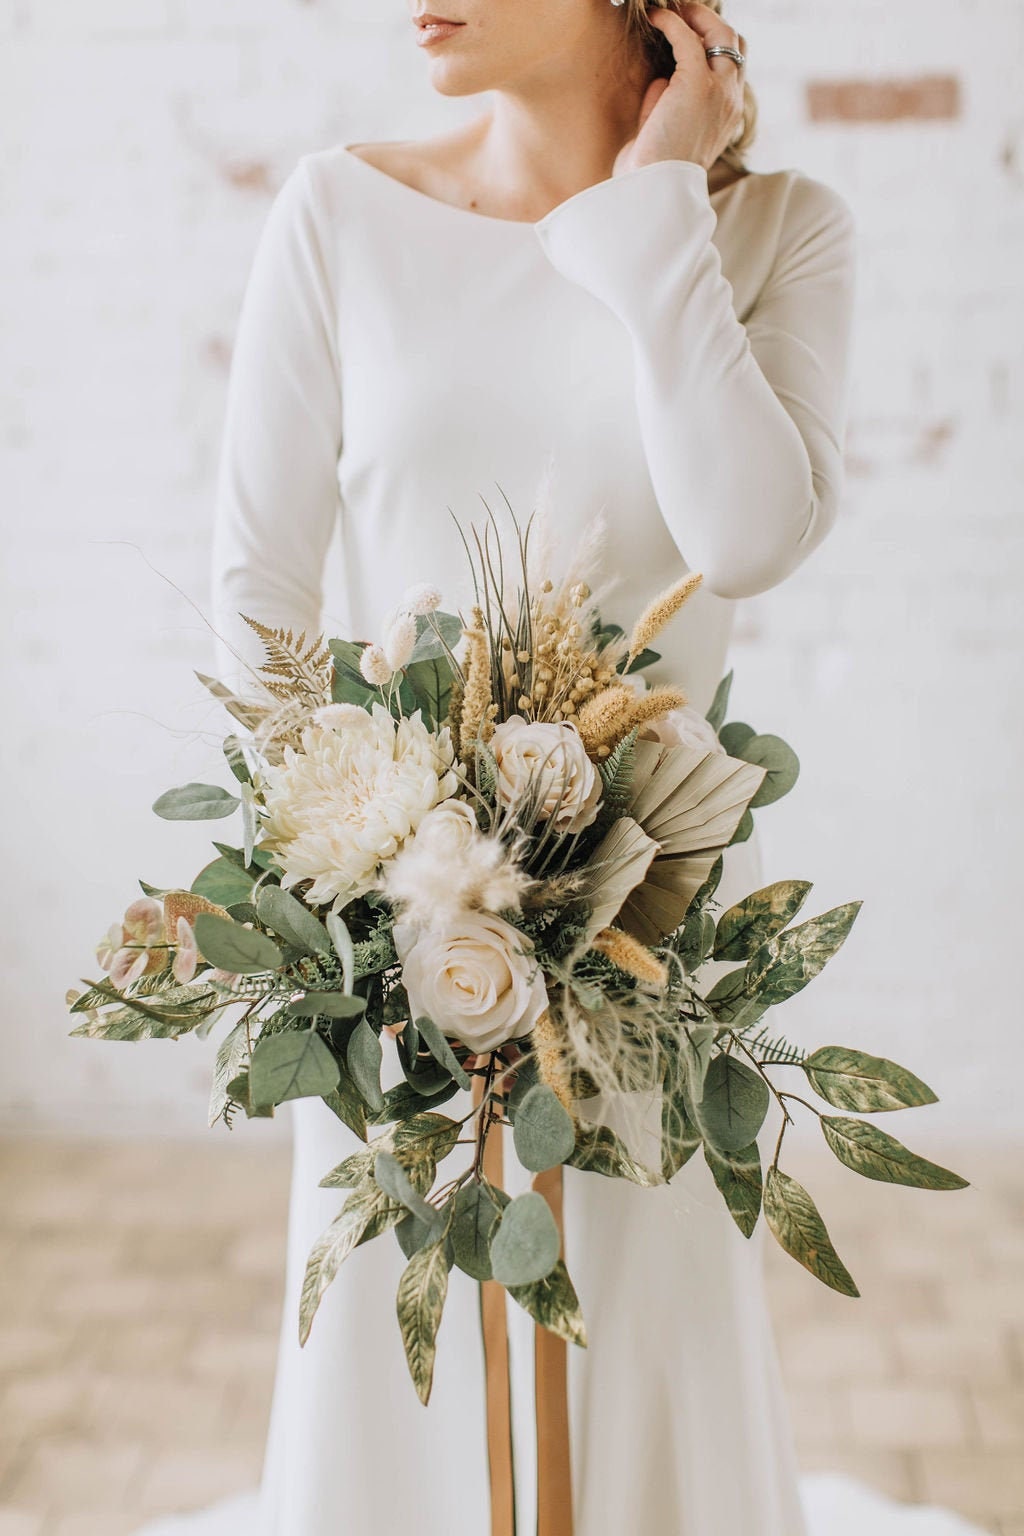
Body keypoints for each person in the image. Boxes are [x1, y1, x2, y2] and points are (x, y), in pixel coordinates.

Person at [140, 2, 988, 1533]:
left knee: (635, 1362)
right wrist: (367, 887)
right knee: (405, 1383)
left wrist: (657, 205)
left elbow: (746, 536)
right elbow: (260, 600)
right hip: (397, 962)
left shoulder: (778, 231)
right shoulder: (339, 215)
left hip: (646, 971)